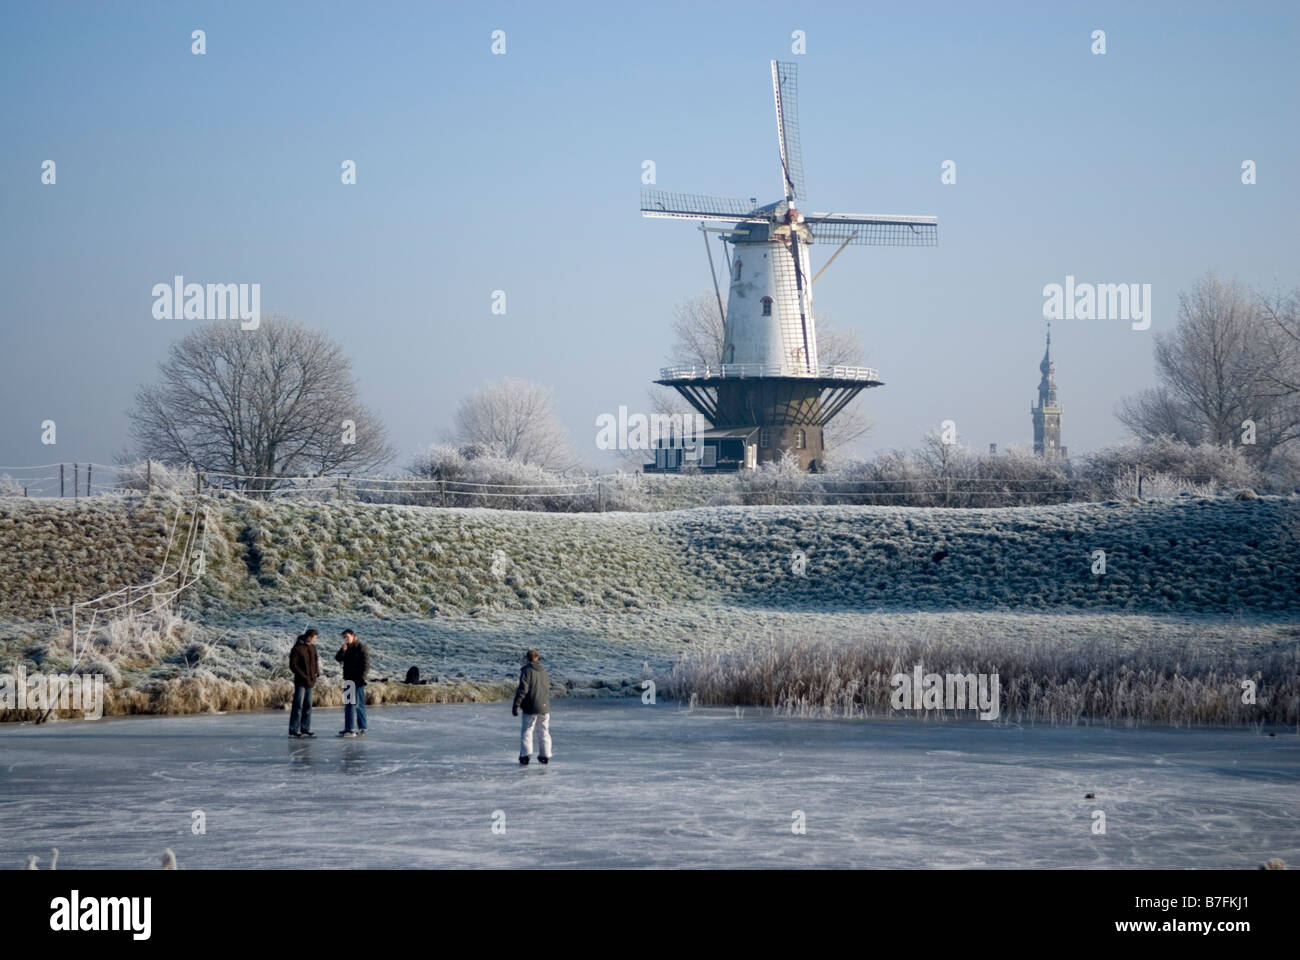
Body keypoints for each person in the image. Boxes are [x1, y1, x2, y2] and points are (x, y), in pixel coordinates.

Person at [512, 649, 551, 765]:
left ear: (527, 658)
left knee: (527, 731)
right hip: (544, 706)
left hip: (531, 706)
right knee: (543, 731)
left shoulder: (526, 670)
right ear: (537, 658)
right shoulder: (544, 671)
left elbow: (522, 690)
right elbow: (547, 688)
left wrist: (516, 705)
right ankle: (545, 755)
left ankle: (525, 755)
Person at [335, 629, 370, 737]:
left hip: (358, 680)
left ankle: (362, 728)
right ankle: (348, 728)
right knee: (348, 705)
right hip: (348, 679)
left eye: (347, 637)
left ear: (353, 636)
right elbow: (338, 658)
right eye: (344, 637)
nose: (346, 639)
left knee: (359, 705)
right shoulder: (346, 647)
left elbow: (366, 665)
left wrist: (362, 678)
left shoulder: (361, 647)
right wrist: (342, 650)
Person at [288, 629, 320, 738]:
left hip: (311, 681)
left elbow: (315, 661)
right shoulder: (297, 648)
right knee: (298, 706)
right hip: (301, 681)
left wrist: (317, 672)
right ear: (309, 637)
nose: (315, 640)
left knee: (308, 705)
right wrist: (304, 676)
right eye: (314, 637)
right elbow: (293, 665)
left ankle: (305, 728)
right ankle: (294, 729)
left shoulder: (313, 647)